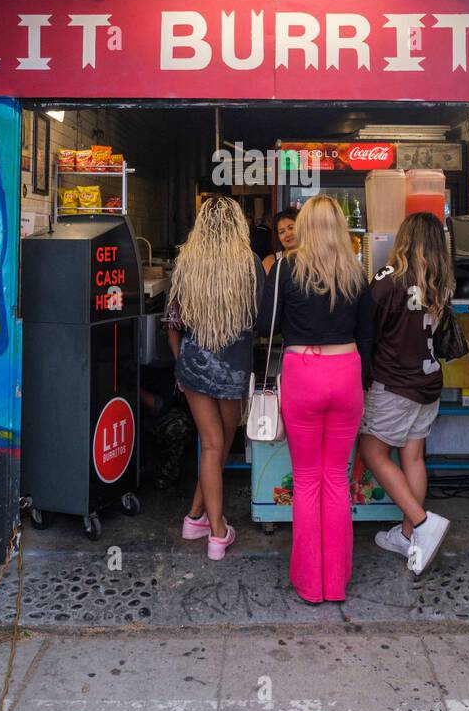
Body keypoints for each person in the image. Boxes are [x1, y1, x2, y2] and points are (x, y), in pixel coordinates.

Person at [258, 194, 372, 604]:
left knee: (306, 481)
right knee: (336, 480)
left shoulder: (287, 265)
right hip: (346, 374)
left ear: (304, 226)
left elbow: (261, 319)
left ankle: (310, 584)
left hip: (303, 375)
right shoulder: (356, 271)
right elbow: (367, 336)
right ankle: (336, 584)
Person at [165, 196, 264, 559]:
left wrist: (182, 363)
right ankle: (218, 533)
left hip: (193, 366)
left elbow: (172, 323)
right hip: (234, 368)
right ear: (238, 224)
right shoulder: (250, 264)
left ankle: (196, 517)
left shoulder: (185, 265)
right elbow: (261, 318)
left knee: (212, 445)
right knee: (219, 444)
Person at [359, 211, 453, 577]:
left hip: (394, 384)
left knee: (372, 449)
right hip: (428, 383)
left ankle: (421, 522)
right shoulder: (440, 282)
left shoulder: (389, 278)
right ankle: (409, 535)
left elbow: (368, 330)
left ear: (405, 238)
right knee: (413, 456)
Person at [262, 206, 298, 276]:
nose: (287, 234)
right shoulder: (270, 262)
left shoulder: (313, 259)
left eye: (291, 228)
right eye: (282, 232)